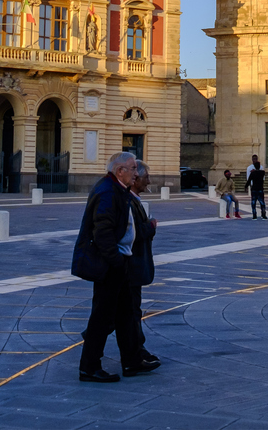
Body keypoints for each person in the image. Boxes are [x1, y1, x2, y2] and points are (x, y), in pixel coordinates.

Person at [75, 151, 156, 382]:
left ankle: (131, 361)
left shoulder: (116, 190)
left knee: (126, 314)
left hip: (120, 262)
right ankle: (89, 367)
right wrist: (117, 263)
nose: (135, 173)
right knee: (102, 317)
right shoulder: (108, 192)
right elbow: (103, 233)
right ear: (119, 171)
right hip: (111, 265)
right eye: (132, 169)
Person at [127, 161, 161, 370]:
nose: (149, 180)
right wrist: (150, 226)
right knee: (127, 312)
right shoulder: (128, 201)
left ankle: (137, 352)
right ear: (136, 179)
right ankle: (135, 354)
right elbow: (132, 233)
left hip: (133, 266)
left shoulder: (134, 200)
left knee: (126, 312)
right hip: (131, 266)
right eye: (146, 176)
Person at [245, 154, 268, 219]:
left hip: (254, 188)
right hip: (260, 188)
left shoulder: (252, 172)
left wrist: (246, 187)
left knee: (253, 202)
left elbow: (248, 180)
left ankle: (254, 215)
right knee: (262, 202)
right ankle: (263, 214)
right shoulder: (262, 172)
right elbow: (263, 175)